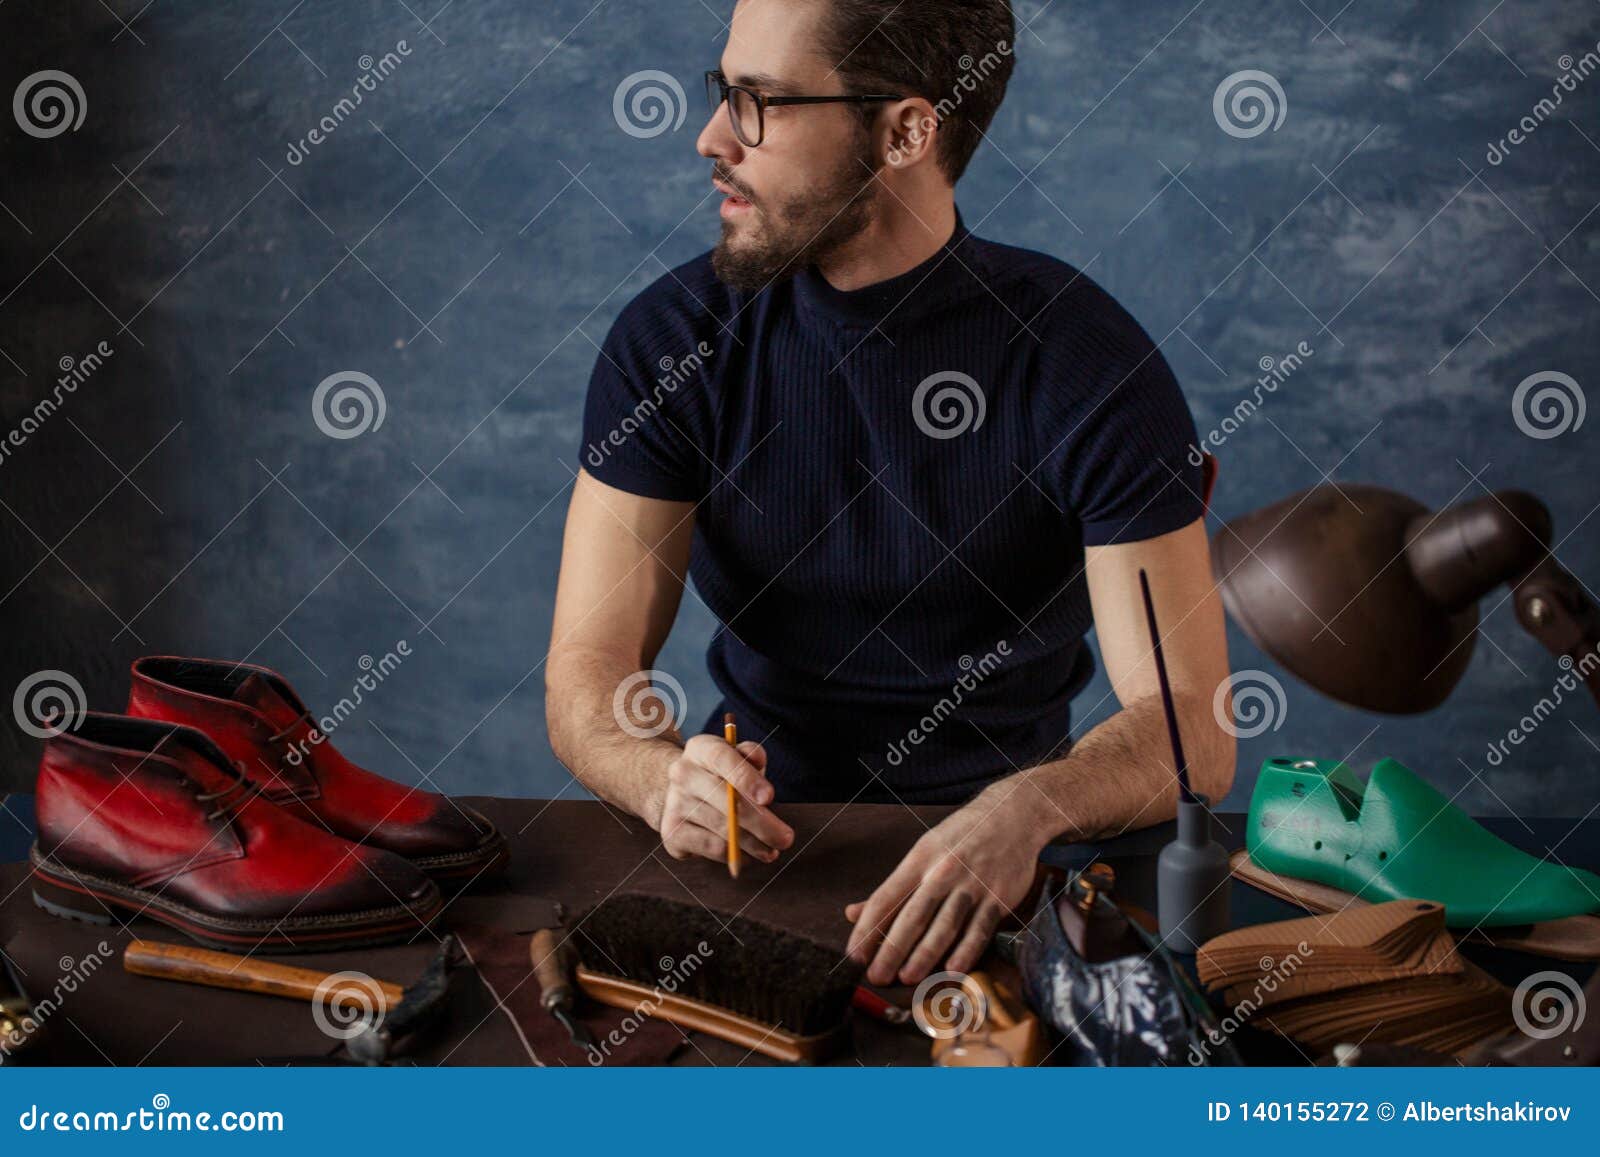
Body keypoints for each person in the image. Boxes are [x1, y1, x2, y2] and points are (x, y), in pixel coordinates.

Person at [547, 0, 1233, 987]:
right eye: (721, 92)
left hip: (1019, 869)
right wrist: (660, 778)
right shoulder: (669, 346)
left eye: (760, 102)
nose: (711, 139)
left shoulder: (1088, 366)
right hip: (757, 859)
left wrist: (1029, 807)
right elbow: (587, 670)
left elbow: (1193, 724)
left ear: (907, 131)